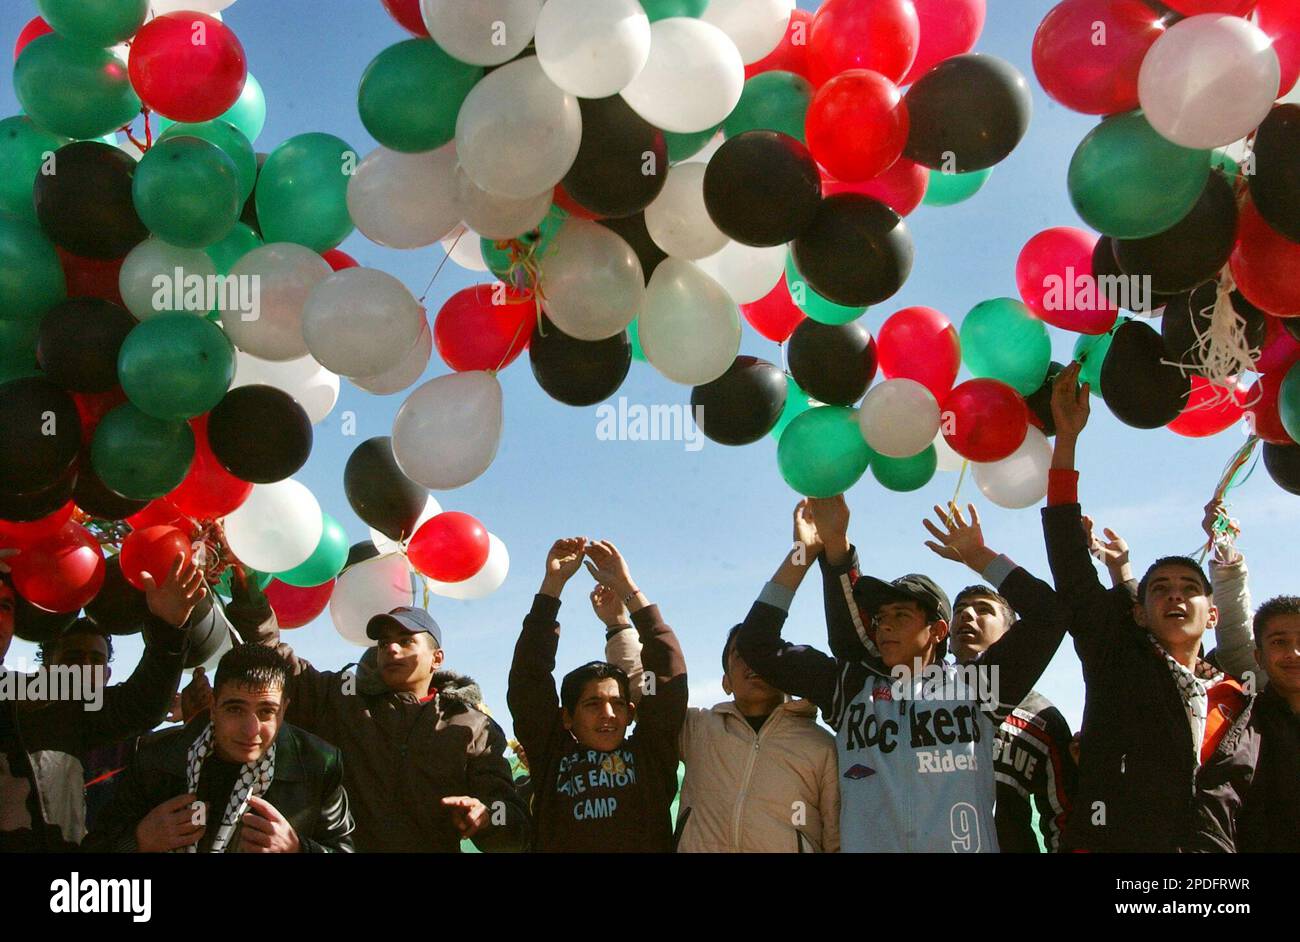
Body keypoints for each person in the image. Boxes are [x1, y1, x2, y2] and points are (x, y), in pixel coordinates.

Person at [737, 498, 1069, 853]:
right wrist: (802, 553)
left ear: (939, 630)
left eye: (901, 615)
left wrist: (977, 555)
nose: (885, 625)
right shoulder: (849, 688)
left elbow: (1050, 615)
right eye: (880, 618)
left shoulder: (976, 687)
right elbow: (756, 644)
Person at [1042, 362, 1249, 852]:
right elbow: (1071, 565)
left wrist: (1224, 550)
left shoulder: (1238, 698)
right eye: (1159, 589)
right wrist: (1066, 442)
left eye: (1188, 588)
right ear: (1139, 611)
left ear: (1211, 613)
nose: (1175, 595)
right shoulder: (1114, 660)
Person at [239, 568, 526, 852]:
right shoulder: (344, 700)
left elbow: (509, 813)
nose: (391, 649)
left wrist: (488, 816)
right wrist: (246, 590)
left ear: (436, 658)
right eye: (383, 643)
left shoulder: (472, 726)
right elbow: (274, 657)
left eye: (405, 641)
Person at [601, 583, 839, 852]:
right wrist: (618, 624)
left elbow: (836, 836)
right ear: (726, 682)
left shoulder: (821, 746)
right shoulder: (696, 728)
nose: (752, 664)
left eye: (760, 656)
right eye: (740, 656)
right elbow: (646, 691)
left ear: (782, 670)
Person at [1, 556, 204, 852]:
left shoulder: (41, 694)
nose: (84, 669)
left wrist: (168, 628)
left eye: (5, 607)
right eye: (72, 659)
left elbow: (140, 706)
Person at [85, 643, 354, 853]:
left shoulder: (319, 764)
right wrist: (139, 841)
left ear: (284, 709)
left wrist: (297, 849)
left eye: (266, 711)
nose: (251, 730)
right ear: (213, 706)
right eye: (235, 709)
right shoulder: (154, 758)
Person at [508, 538, 686, 852]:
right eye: (592, 704)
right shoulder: (551, 756)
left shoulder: (650, 757)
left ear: (631, 712)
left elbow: (666, 679)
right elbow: (529, 679)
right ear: (566, 716)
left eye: (618, 704)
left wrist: (627, 588)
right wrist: (553, 585)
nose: (608, 714)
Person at [948, 583, 1077, 853]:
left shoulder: (1041, 716)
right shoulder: (916, 696)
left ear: (1011, 633)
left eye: (984, 609)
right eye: (959, 610)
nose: (967, 615)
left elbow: (1064, 815)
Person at [1187, 595, 1300, 852]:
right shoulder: (1244, 727)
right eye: (1280, 642)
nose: (1294, 653)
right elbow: (1216, 811)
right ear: (1259, 658)